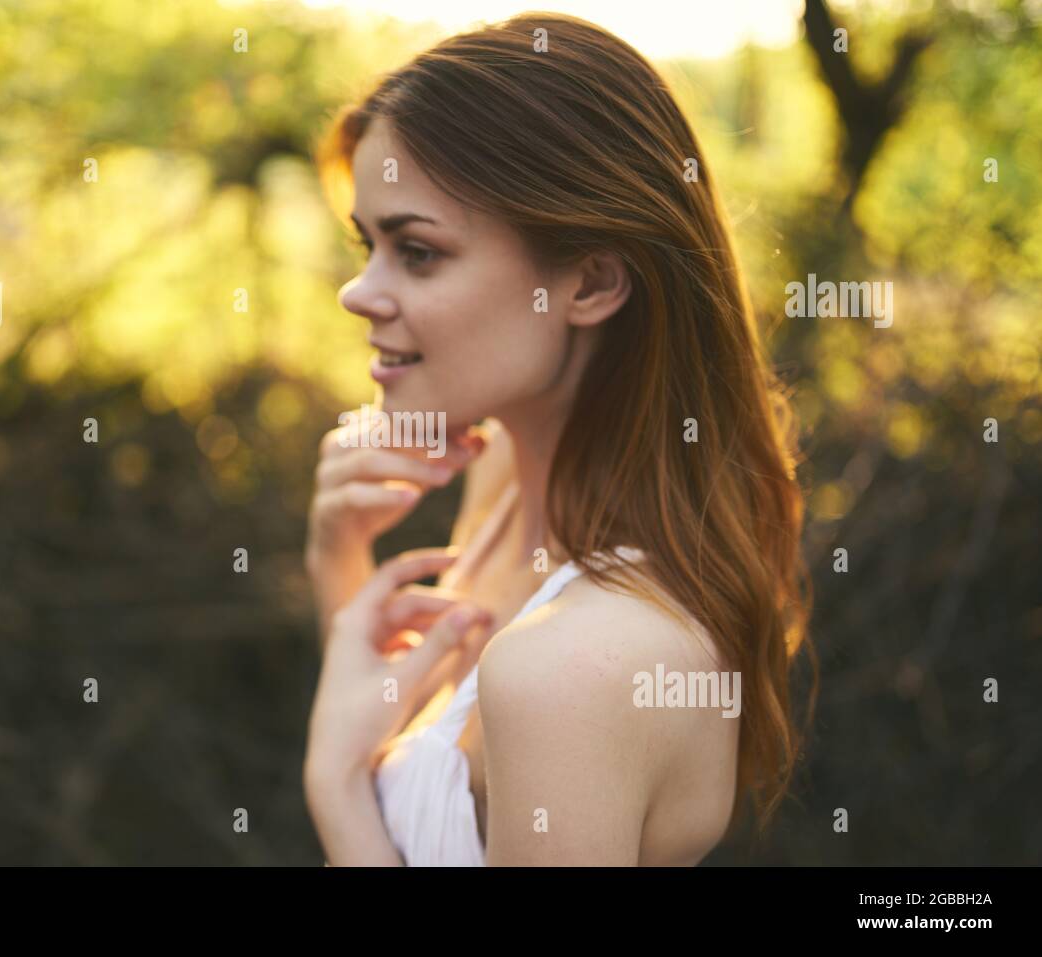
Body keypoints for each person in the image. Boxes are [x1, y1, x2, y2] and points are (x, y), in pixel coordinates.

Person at [302, 12, 817, 866]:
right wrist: (340, 570)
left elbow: (361, 782)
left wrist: (333, 789)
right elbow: (402, 751)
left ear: (591, 282)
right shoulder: (505, 473)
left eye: (418, 252)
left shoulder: (576, 667)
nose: (359, 292)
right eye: (368, 245)